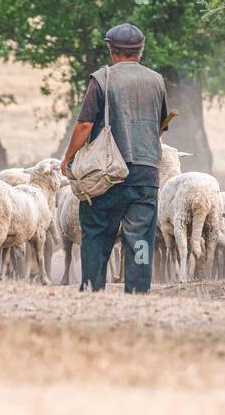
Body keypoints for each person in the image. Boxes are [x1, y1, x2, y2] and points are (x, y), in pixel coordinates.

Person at [62, 23, 168, 293]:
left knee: (97, 232)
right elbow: (160, 125)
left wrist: (68, 159)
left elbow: (85, 125)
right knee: (141, 238)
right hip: (146, 171)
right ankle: (137, 294)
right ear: (140, 50)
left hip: (106, 172)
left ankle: (92, 291)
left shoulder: (102, 79)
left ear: (111, 50)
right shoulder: (157, 80)